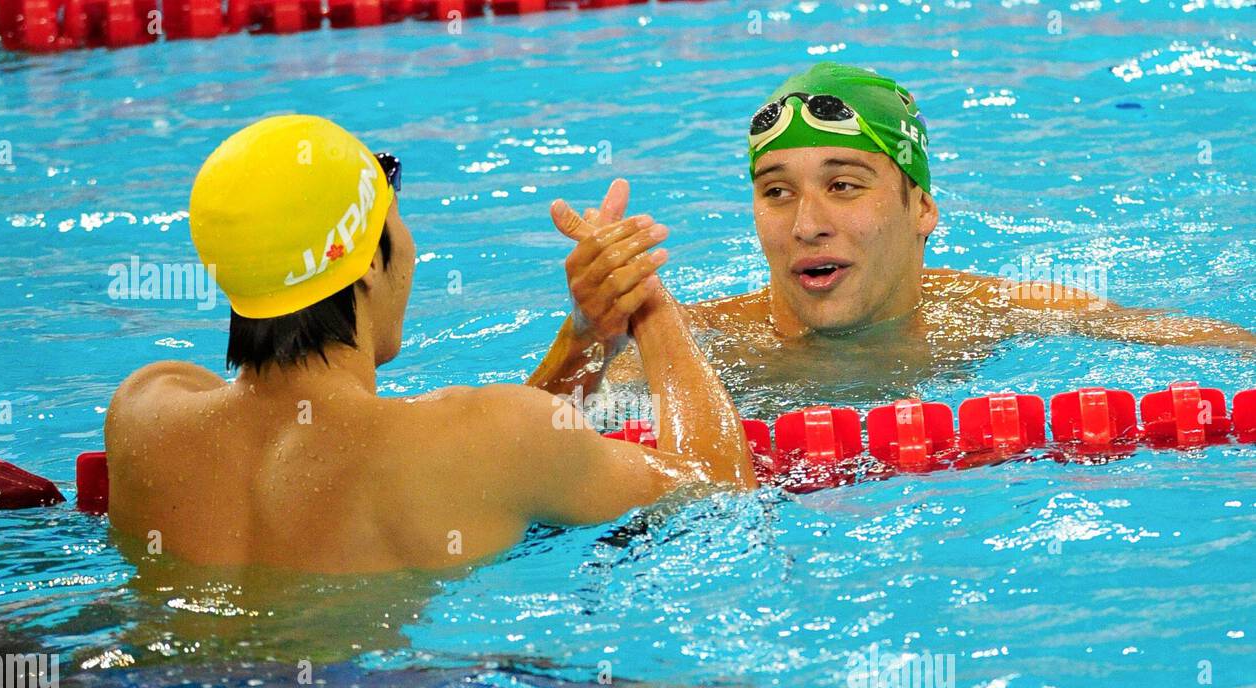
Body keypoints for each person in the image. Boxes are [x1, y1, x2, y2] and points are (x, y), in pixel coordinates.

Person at [104, 115, 754, 574]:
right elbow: (720, 488)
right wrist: (646, 300)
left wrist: (587, 335)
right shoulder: (482, 438)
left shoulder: (144, 413)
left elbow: (504, 462)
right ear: (366, 261)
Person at [527, 62, 1256, 402]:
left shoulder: (995, 314)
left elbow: (1210, 344)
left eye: (844, 185)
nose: (807, 225)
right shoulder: (703, 344)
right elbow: (519, 447)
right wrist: (586, 333)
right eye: (776, 192)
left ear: (922, 208)